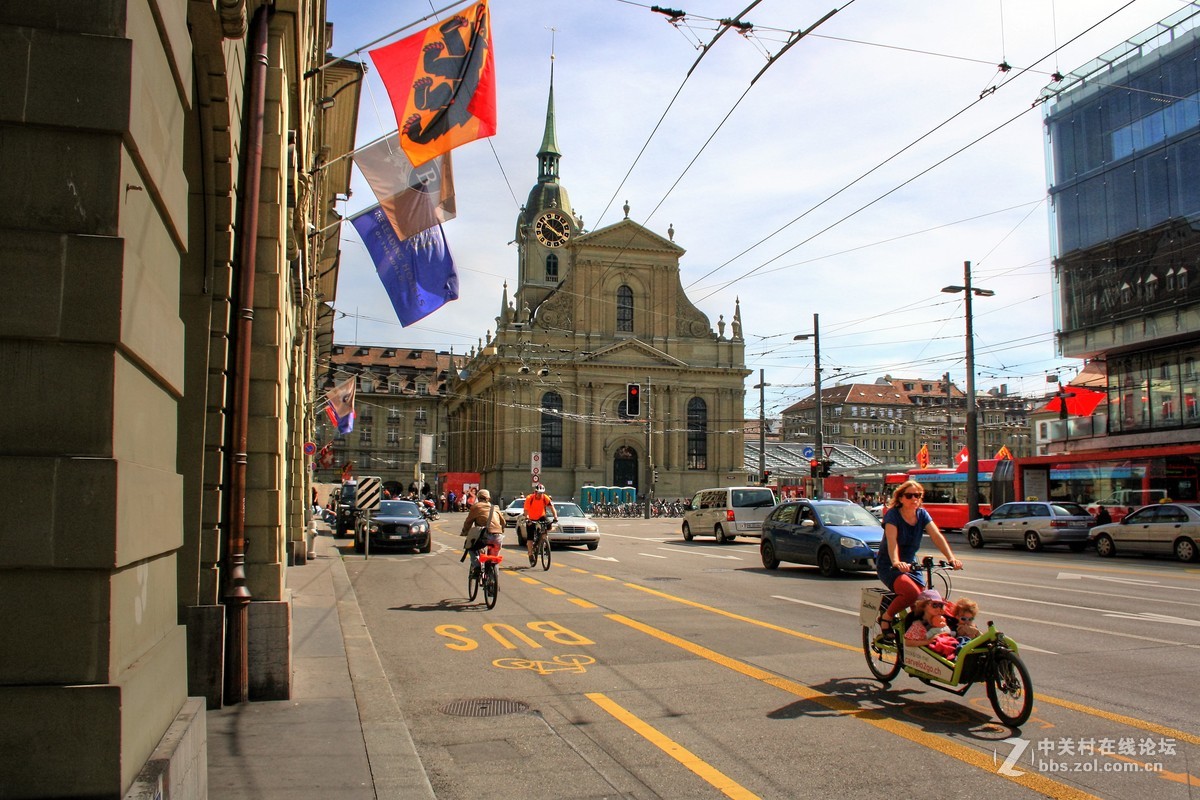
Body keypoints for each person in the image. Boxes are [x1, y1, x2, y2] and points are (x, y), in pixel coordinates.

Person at [875, 480, 962, 642]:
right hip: (890, 565)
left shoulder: (922, 514)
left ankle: (916, 640)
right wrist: (896, 562)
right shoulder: (893, 515)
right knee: (911, 593)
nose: (914, 499)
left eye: (918, 495)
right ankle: (886, 618)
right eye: (909, 496)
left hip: (911, 564)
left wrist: (951, 558)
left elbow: (936, 536)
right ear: (900, 498)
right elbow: (892, 542)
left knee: (924, 604)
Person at [460, 489, 505, 571]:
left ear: (478, 497)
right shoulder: (495, 507)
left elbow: (468, 522)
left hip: (484, 537)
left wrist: (465, 532)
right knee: (493, 558)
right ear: (488, 498)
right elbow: (503, 522)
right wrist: (501, 531)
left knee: (471, 548)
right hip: (498, 537)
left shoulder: (476, 507)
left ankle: (477, 566)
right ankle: (492, 574)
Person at [523, 483, 558, 563]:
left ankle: (543, 539)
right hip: (531, 518)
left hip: (541, 516)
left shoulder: (545, 497)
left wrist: (555, 517)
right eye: (538, 493)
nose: (540, 494)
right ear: (535, 492)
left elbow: (552, 508)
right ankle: (530, 553)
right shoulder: (530, 498)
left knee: (549, 525)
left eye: (541, 493)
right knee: (530, 537)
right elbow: (526, 510)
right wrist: (527, 518)